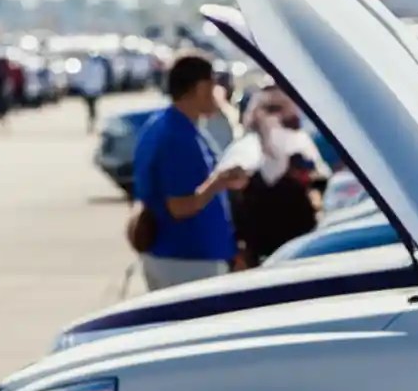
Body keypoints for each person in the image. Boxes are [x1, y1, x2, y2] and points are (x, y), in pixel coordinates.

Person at [132, 53, 248, 291]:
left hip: (184, 258)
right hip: (186, 261)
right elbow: (180, 206)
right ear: (202, 88)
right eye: (214, 85)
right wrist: (218, 182)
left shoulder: (169, 126)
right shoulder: (177, 137)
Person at [231, 84, 327, 268]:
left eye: (278, 109)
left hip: (302, 254)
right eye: (269, 110)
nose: (273, 118)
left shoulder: (302, 151)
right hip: (260, 258)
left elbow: (321, 186)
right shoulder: (243, 154)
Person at [74, 54, 107, 134]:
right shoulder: (97, 66)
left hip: (91, 90)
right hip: (91, 90)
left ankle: (91, 125)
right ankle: (91, 125)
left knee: (92, 109)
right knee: (92, 109)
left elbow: (100, 78)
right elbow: (101, 78)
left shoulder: (94, 66)